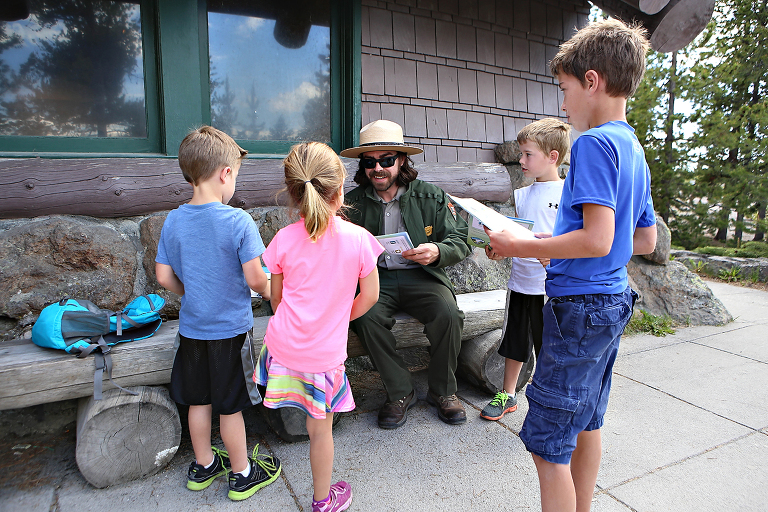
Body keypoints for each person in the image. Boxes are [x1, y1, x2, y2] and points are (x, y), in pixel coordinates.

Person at [484, 19, 657, 512]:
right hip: (610, 301)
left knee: (546, 442)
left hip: (577, 310)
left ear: (592, 81)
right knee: (587, 421)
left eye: (564, 89)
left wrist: (519, 247)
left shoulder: (594, 144)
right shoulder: (633, 148)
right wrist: (552, 238)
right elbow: (640, 238)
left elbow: (600, 239)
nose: (562, 104)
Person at [155, 125, 281, 501]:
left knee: (198, 401)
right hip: (229, 331)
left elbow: (163, 277)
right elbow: (257, 280)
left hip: (193, 331)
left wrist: (191, 292)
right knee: (229, 407)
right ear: (225, 172)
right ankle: (242, 473)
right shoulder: (237, 221)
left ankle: (204, 464)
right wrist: (282, 293)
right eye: (235, 177)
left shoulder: (173, 220)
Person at [255, 142, 382, 512]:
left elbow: (276, 300)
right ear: (340, 190)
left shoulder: (282, 240)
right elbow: (370, 296)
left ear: (294, 194)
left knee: (305, 417)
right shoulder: (358, 239)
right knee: (320, 430)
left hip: (283, 348)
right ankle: (323, 501)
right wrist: (339, 317)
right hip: (323, 356)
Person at [340, 119, 472, 429]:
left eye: (386, 160)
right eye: (370, 162)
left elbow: (462, 238)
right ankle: (400, 391)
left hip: (423, 277)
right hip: (376, 280)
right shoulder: (352, 203)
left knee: (448, 313)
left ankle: (444, 391)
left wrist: (437, 251)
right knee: (364, 316)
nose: (378, 169)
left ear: (401, 160)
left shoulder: (431, 197)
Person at [480, 117, 570, 421]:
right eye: (521, 154)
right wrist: (498, 250)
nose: (521, 161)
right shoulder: (522, 195)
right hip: (520, 283)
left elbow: (572, 243)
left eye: (528, 155)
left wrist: (555, 256)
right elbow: (519, 237)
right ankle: (508, 394)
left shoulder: (568, 195)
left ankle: (548, 399)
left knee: (549, 346)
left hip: (551, 288)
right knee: (515, 341)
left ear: (552, 157)